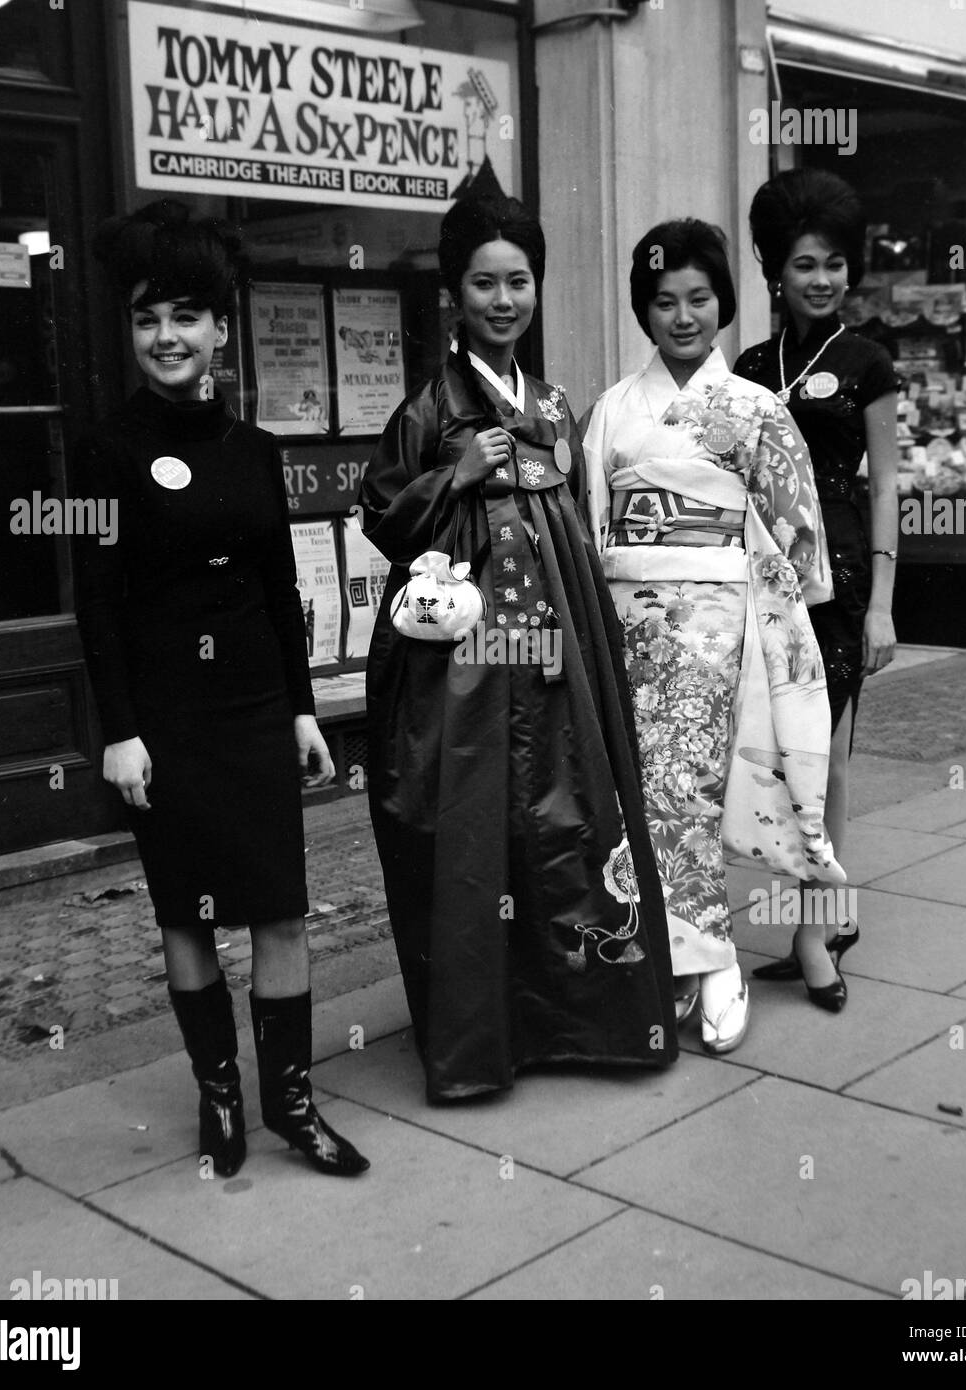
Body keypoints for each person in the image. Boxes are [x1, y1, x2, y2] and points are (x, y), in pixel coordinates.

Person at [359, 194, 677, 1102]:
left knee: (572, 811)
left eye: (519, 281)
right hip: (460, 662)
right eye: (484, 283)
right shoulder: (429, 409)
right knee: (472, 823)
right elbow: (382, 515)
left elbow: (570, 518)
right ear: (454, 296)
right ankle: (481, 1038)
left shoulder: (555, 404)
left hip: (557, 642)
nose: (504, 300)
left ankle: (578, 1016)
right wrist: (451, 476)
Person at [74, 200, 368, 1177]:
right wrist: (119, 729)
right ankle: (220, 1097)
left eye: (186, 317)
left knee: (279, 907)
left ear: (220, 331)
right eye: (149, 318)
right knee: (187, 917)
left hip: (249, 711)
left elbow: (280, 591)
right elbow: (96, 603)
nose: (166, 336)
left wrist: (299, 708)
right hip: (162, 721)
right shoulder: (101, 450)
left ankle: (291, 1102)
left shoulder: (257, 451)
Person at [581, 219, 845, 1047]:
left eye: (699, 298)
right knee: (646, 795)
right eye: (665, 302)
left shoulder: (757, 409)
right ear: (643, 310)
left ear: (724, 303)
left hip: (727, 627)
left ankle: (709, 960)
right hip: (632, 624)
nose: (683, 317)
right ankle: (690, 960)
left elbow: (798, 544)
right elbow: (591, 529)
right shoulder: (613, 411)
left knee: (694, 789)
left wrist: (757, 611)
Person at [735, 169, 900, 1010]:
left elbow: (883, 488)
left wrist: (882, 603)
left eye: (835, 262)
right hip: (767, 587)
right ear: (775, 270)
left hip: (839, 592)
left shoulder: (870, 361)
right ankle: (828, 914)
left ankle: (812, 934)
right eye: (805, 263)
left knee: (828, 764)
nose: (822, 278)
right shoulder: (750, 366)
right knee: (778, 763)